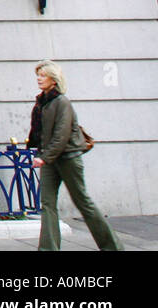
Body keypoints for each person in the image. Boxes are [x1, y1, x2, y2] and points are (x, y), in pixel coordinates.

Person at [28, 60, 122, 251]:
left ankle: (112, 247)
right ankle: (48, 249)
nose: (39, 78)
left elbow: (61, 135)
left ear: (53, 80)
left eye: (43, 75)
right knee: (47, 204)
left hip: (68, 158)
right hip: (49, 158)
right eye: (38, 74)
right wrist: (40, 152)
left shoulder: (62, 102)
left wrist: (44, 157)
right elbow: (41, 132)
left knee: (83, 203)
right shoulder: (42, 102)